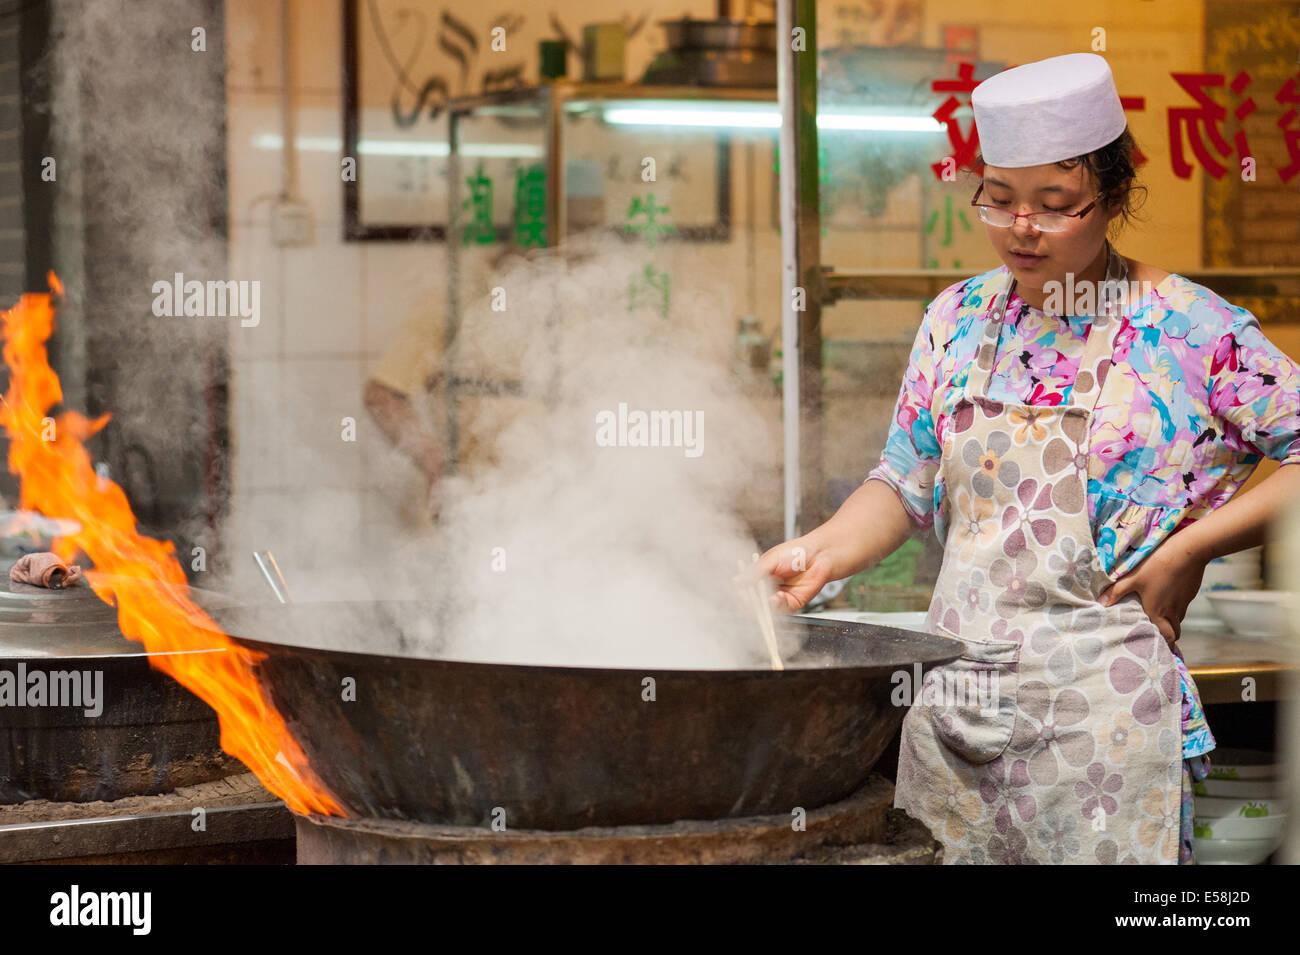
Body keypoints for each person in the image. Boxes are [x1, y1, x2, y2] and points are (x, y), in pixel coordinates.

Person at [756, 52, 1300, 864]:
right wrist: (816, 552)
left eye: (1056, 205)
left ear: (1113, 197)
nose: (1021, 227)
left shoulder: (1188, 331)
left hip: (1104, 733)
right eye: (999, 198)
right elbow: (903, 483)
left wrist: (1193, 546)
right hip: (954, 717)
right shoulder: (958, 318)